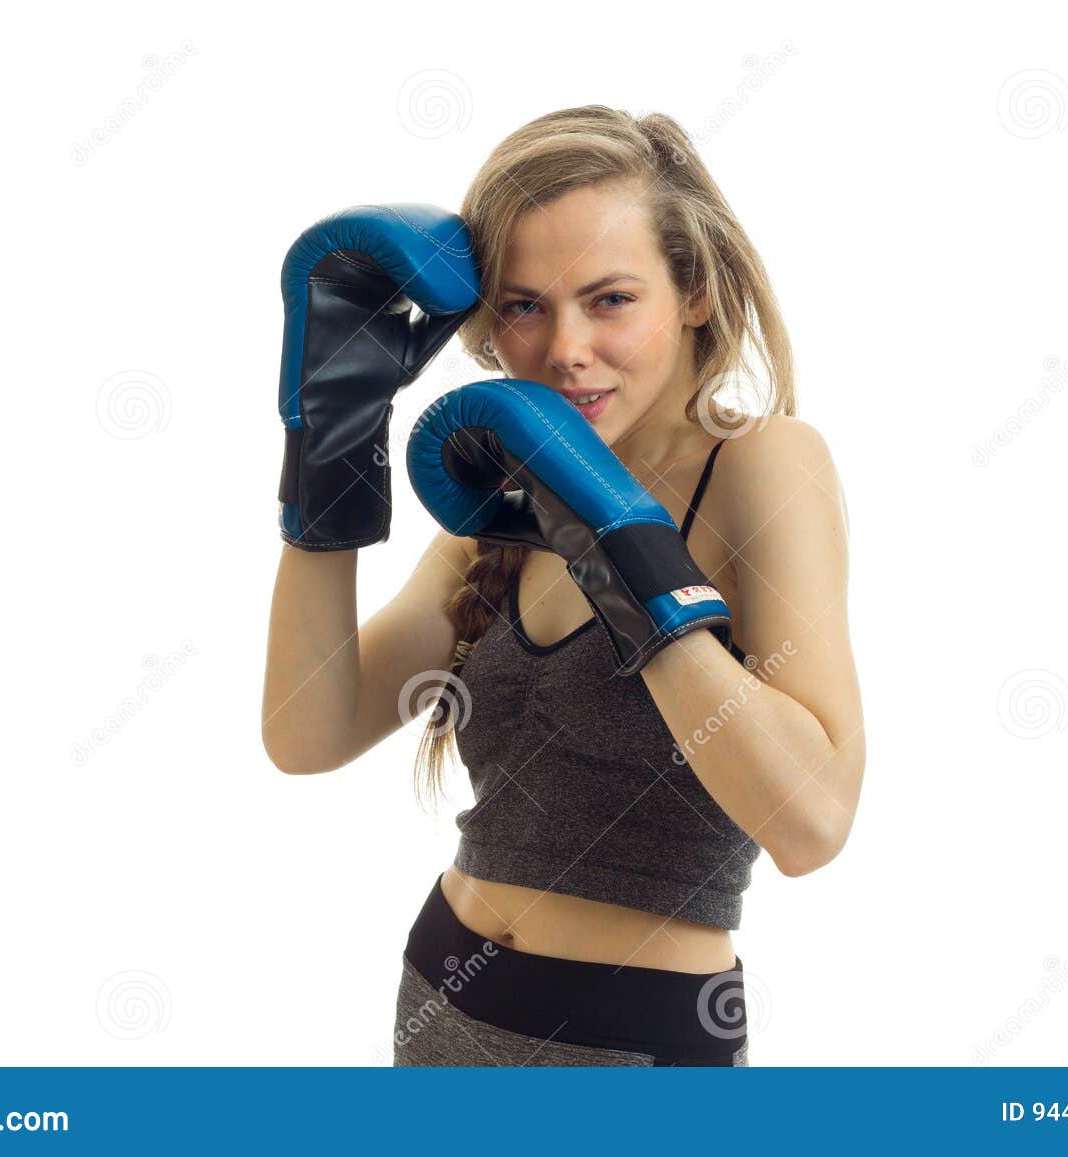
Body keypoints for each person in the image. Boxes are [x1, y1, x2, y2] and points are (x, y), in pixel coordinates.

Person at [262, 105, 866, 1066]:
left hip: (631, 1047)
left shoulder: (763, 466)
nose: (565, 348)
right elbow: (307, 733)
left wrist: (630, 557)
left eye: (612, 298)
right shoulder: (502, 502)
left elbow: (814, 821)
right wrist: (329, 450)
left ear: (695, 292)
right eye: (522, 304)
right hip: (440, 1002)